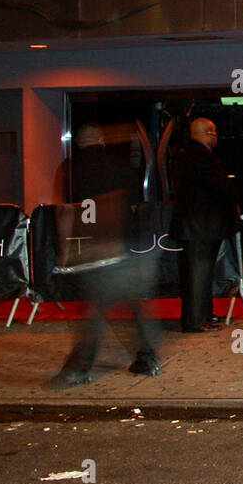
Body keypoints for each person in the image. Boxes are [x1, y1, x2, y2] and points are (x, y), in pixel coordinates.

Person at [51, 124, 160, 387]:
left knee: (96, 309)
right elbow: (134, 205)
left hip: (94, 249)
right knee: (135, 306)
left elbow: (65, 212)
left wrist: (65, 253)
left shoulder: (69, 168)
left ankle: (78, 368)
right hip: (125, 245)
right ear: (100, 140)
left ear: (78, 143)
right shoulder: (120, 165)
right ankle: (147, 358)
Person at [169, 117, 239, 332]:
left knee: (201, 274)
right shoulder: (199, 156)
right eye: (214, 131)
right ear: (208, 132)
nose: (216, 135)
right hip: (200, 227)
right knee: (198, 275)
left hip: (196, 226)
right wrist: (234, 196)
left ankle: (203, 315)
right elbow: (218, 187)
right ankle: (196, 320)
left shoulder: (188, 154)